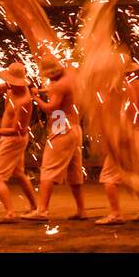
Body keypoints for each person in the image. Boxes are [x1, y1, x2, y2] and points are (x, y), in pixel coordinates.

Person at [22, 55, 88, 221]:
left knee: (48, 169)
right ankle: (82, 210)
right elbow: (60, 93)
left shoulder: (59, 86)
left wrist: (35, 98)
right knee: (74, 172)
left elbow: (51, 108)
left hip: (62, 126)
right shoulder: (71, 75)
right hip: (75, 127)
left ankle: (42, 210)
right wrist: (43, 91)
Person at [97, 57, 139, 225]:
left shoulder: (121, 88)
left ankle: (115, 214)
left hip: (128, 134)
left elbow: (131, 112)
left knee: (108, 176)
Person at [0, 61, 37, 223]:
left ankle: (10, 213)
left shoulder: (24, 101)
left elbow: (17, 130)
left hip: (14, 139)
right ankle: (35, 207)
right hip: (10, 138)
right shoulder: (11, 87)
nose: (9, 83)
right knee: (19, 173)